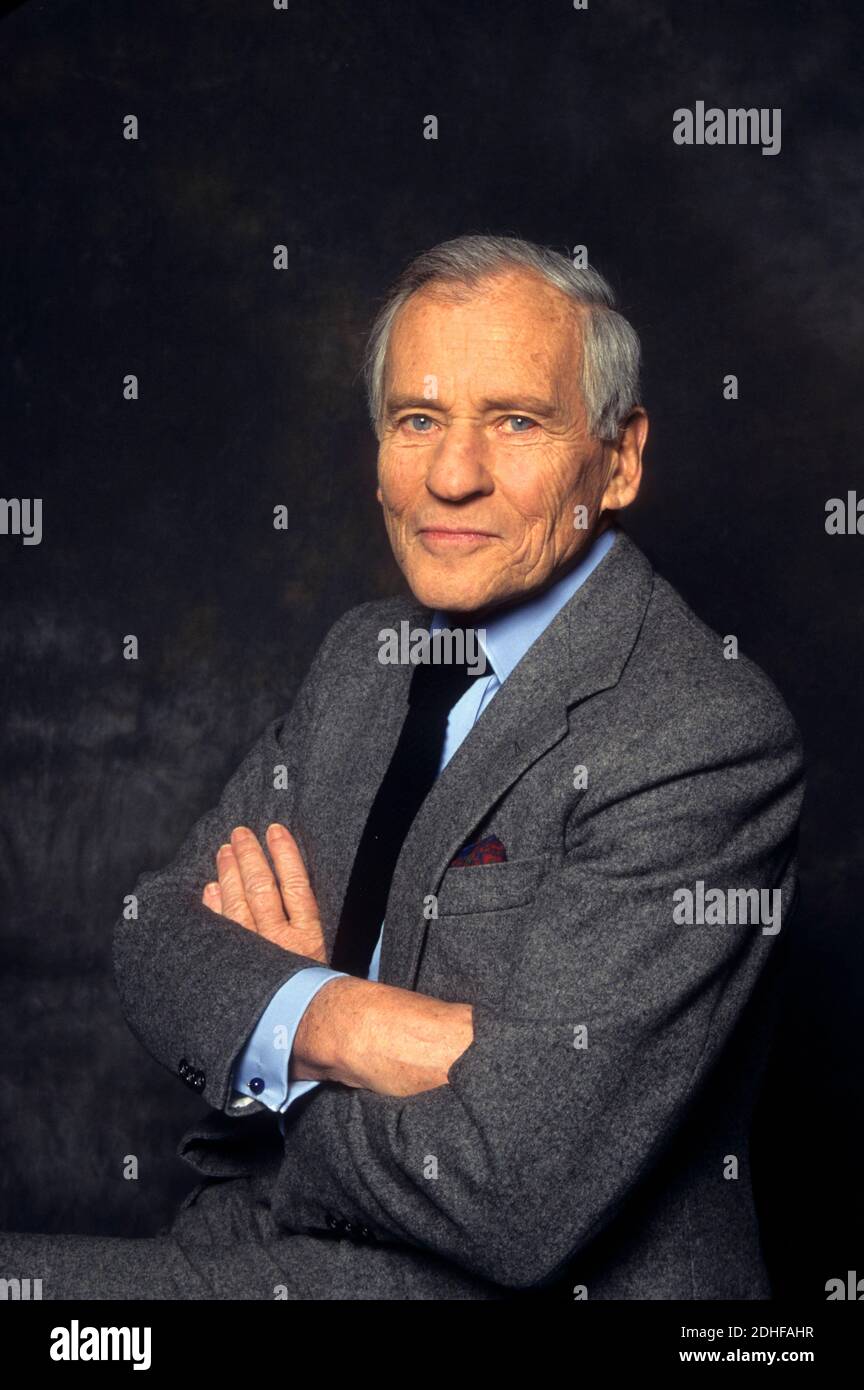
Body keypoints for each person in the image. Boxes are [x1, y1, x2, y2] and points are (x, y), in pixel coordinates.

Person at [0, 234, 804, 1299]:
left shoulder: (702, 730)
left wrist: (280, 1047)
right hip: (260, 1252)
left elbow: (519, 1188)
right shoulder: (362, 662)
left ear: (620, 459)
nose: (452, 475)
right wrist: (346, 1017)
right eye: (417, 420)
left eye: (515, 421)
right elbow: (156, 937)